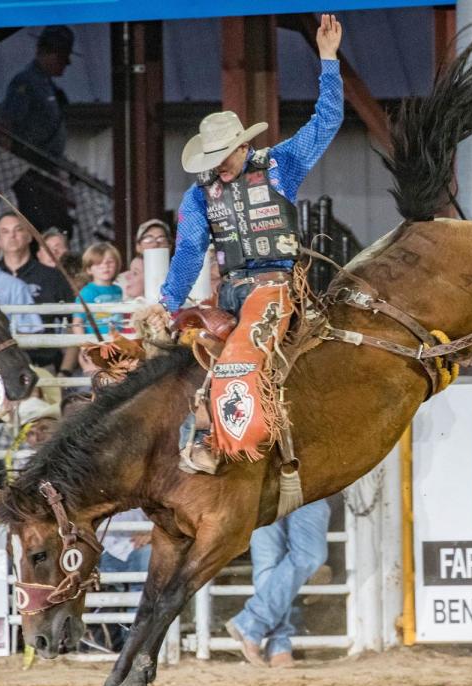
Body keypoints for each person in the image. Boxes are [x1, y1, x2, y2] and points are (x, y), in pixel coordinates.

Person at [145, 13, 344, 473]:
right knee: (192, 356)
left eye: (223, 155)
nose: (218, 166)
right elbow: (189, 250)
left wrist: (328, 60)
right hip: (231, 290)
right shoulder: (200, 195)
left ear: (241, 147)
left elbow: (327, 121)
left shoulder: (279, 165)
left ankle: (227, 441)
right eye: (211, 158)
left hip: (274, 285)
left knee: (239, 353)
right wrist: (168, 305)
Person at [226, 499, 331, 668]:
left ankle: (252, 621)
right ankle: (278, 644)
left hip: (311, 487)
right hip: (262, 487)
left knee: (311, 554)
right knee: (269, 561)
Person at [0, 25, 75, 234]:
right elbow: (7, 123)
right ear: (47, 52)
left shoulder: (46, 84)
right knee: (42, 224)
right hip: (30, 168)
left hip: (47, 168)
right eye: (61, 57)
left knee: (60, 224)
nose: (64, 65)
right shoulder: (26, 81)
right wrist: (8, 169)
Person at [0, 212, 75, 372]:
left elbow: (75, 324)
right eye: (5, 231)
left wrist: (65, 372)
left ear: (30, 236)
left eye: (18, 229)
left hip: (43, 369)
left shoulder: (53, 277)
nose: (12, 235)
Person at [72, 243, 124, 337]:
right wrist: (84, 343)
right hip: (96, 341)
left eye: (110, 262)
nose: (105, 266)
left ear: (117, 265)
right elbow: (78, 322)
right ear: (89, 269)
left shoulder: (118, 290)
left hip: (118, 340)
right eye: (98, 263)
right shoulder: (87, 292)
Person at [116, 219, 171, 300]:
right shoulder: (120, 282)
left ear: (170, 246)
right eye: (148, 239)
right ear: (138, 246)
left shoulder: (181, 279)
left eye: (161, 239)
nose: (155, 244)